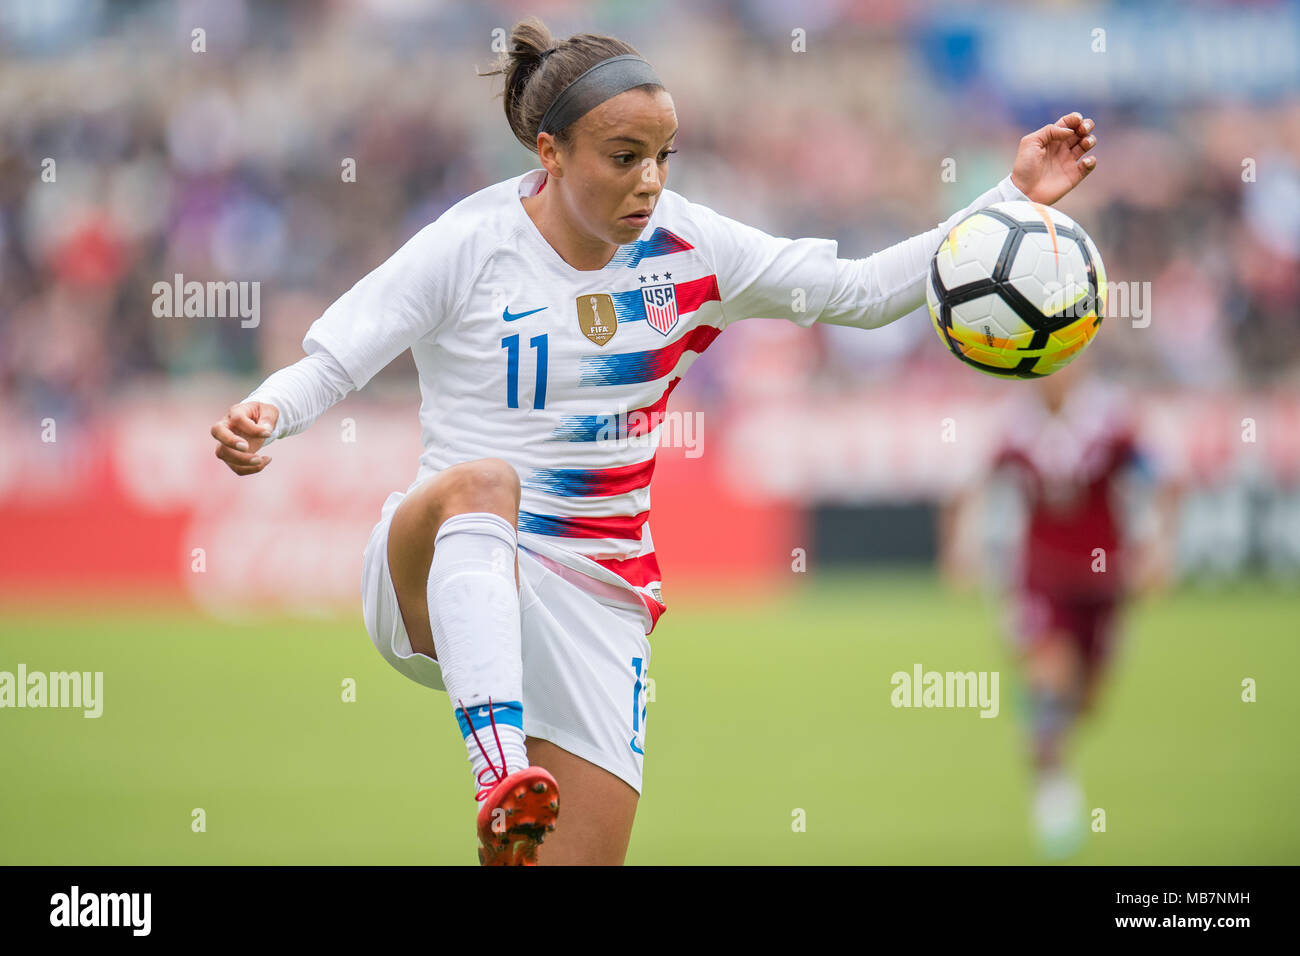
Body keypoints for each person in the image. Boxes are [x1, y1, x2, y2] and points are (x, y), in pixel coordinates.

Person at [210, 15, 1099, 865]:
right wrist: (267, 416)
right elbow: (338, 356)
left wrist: (1006, 199)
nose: (650, 180)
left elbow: (859, 291)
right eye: (624, 156)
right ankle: (498, 768)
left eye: (663, 157)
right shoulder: (470, 245)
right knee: (482, 483)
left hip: (601, 600)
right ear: (549, 154)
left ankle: (511, 811)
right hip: (443, 568)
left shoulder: (690, 246)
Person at [940, 356, 1178, 858]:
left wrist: (1159, 549)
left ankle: (1049, 736)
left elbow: (1167, 478)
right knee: (1048, 686)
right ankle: (1054, 800)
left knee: (1086, 703)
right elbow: (969, 482)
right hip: (1039, 579)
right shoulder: (1012, 422)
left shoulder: (1111, 418)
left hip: (1104, 582)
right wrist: (962, 547)